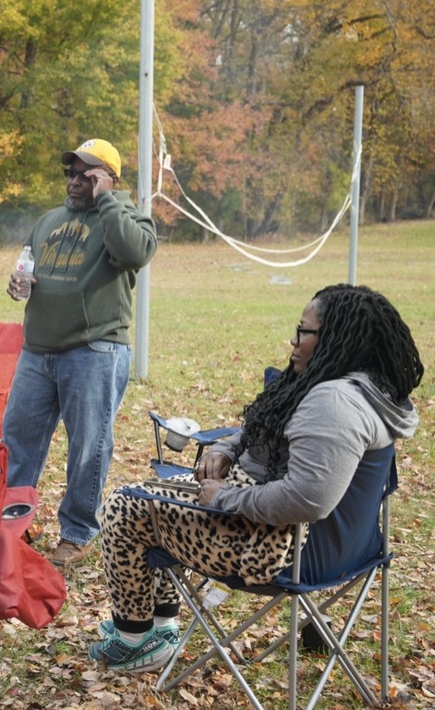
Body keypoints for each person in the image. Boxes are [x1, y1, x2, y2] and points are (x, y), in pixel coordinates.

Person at [88, 284, 422, 672]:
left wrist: (225, 497)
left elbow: (307, 499)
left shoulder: (333, 403)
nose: (293, 340)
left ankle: (135, 639)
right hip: (340, 544)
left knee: (124, 505)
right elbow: (263, 426)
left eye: (303, 331)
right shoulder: (361, 388)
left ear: (334, 337)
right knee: (152, 495)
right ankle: (161, 626)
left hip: (277, 550)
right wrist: (225, 451)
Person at [2, 138, 157, 567]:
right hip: (38, 352)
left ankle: (77, 532)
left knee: (89, 445)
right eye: (71, 172)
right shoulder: (50, 220)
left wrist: (107, 200)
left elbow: (134, 253)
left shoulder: (130, 220)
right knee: (17, 440)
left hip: (94, 350)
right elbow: (26, 267)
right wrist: (18, 286)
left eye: (87, 174)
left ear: (108, 178)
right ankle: (13, 523)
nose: (74, 180)